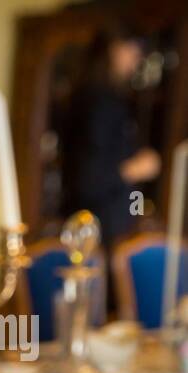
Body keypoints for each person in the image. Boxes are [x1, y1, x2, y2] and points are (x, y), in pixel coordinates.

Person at [64, 23, 161, 243]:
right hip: (98, 230)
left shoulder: (96, 97)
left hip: (103, 225)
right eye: (133, 51)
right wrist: (136, 168)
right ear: (115, 48)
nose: (136, 61)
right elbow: (89, 178)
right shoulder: (101, 102)